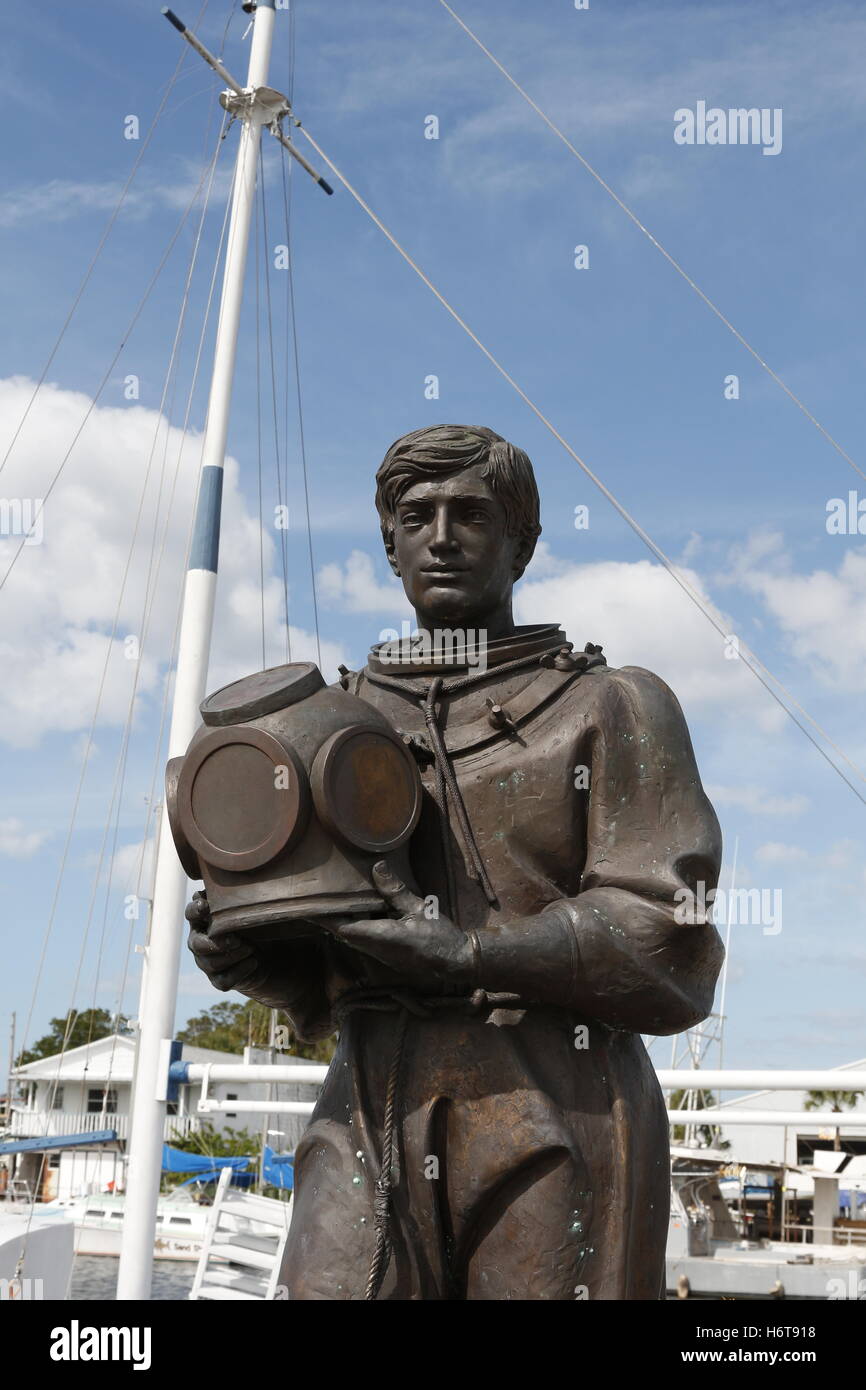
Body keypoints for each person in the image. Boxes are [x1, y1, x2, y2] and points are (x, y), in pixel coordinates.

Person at [187, 424, 724, 1300]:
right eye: (415, 515)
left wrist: (476, 954)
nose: (441, 535)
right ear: (389, 545)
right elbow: (320, 978)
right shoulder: (328, 723)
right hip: (366, 1102)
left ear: (523, 541)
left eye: (471, 513)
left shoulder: (609, 705)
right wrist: (261, 961)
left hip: (556, 1100)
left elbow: (669, 935)